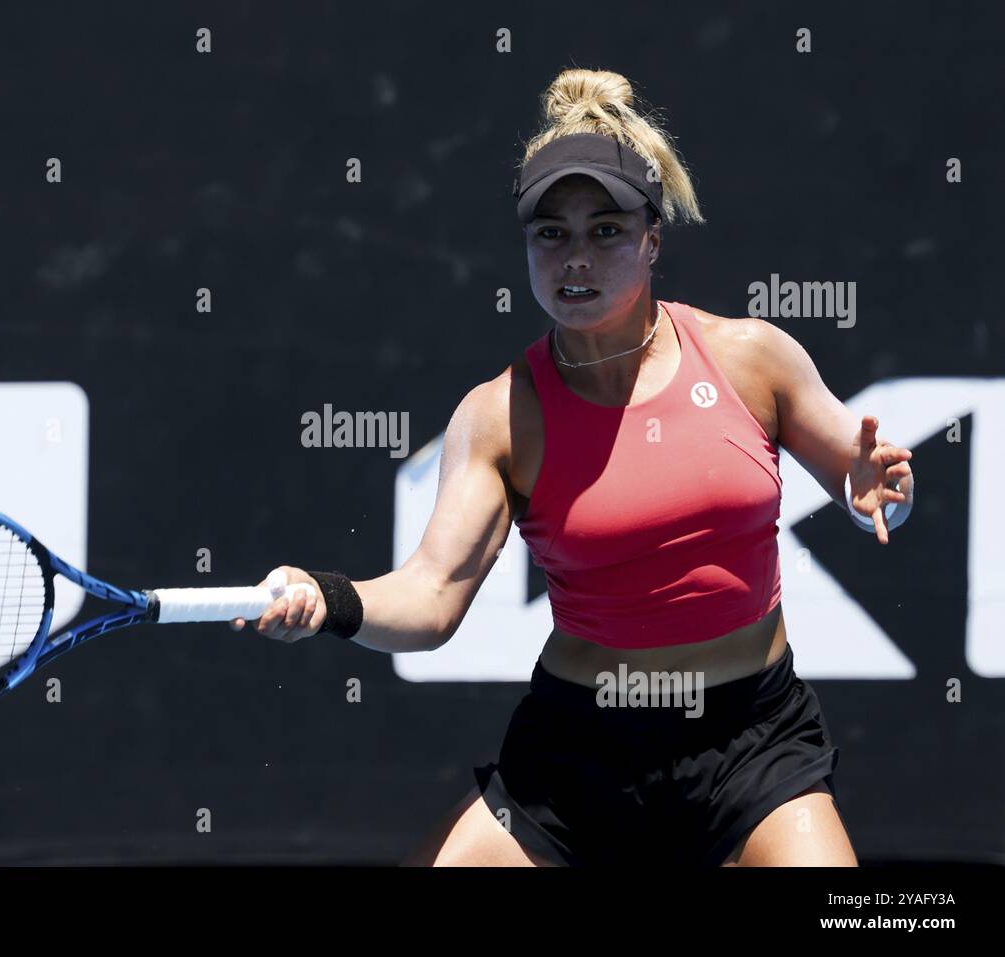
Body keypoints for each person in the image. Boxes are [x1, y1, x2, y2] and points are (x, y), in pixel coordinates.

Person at [230, 67, 914, 867]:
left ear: (652, 238)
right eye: (550, 233)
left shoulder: (751, 358)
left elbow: (868, 484)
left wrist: (881, 493)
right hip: (577, 755)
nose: (575, 257)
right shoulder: (500, 414)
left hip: (752, 746)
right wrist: (330, 597)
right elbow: (432, 595)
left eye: (606, 231)